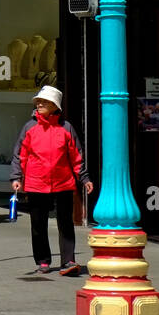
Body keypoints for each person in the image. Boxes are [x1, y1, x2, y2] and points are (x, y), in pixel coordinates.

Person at [11, 85, 92, 275]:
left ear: (55, 106)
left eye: (44, 102)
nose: (39, 104)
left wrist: (84, 177)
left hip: (63, 182)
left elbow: (76, 156)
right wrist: (16, 177)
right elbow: (19, 155)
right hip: (36, 182)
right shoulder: (30, 127)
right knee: (38, 224)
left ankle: (68, 260)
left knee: (66, 222)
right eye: (38, 101)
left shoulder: (66, 128)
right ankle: (43, 260)